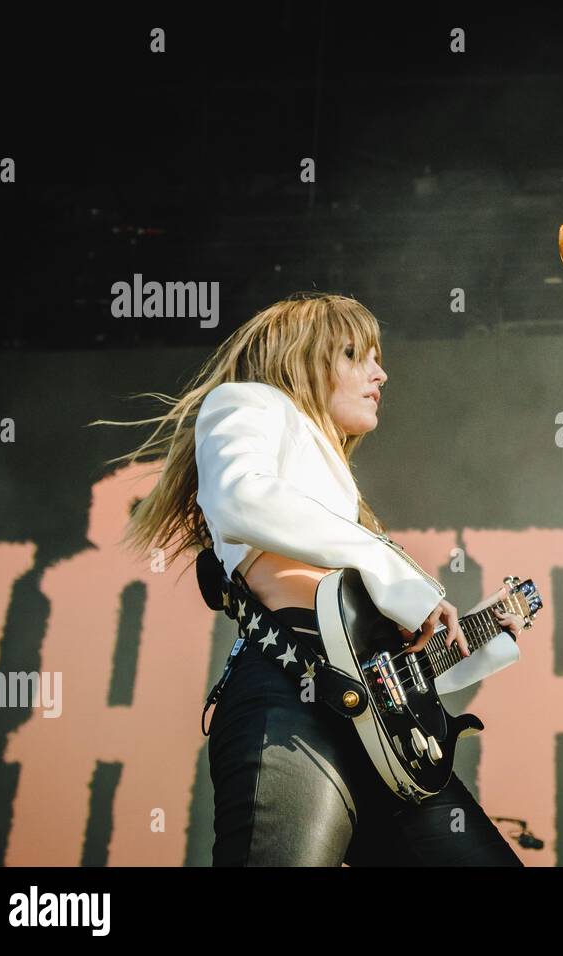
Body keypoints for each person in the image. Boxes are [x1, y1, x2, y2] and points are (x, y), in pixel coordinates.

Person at [99, 292, 526, 865]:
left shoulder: (338, 505)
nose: (381, 373)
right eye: (358, 355)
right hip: (291, 703)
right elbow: (240, 498)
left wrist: (480, 634)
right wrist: (394, 570)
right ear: (303, 359)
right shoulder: (247, 402)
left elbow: (394, 671)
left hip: (382, 734)